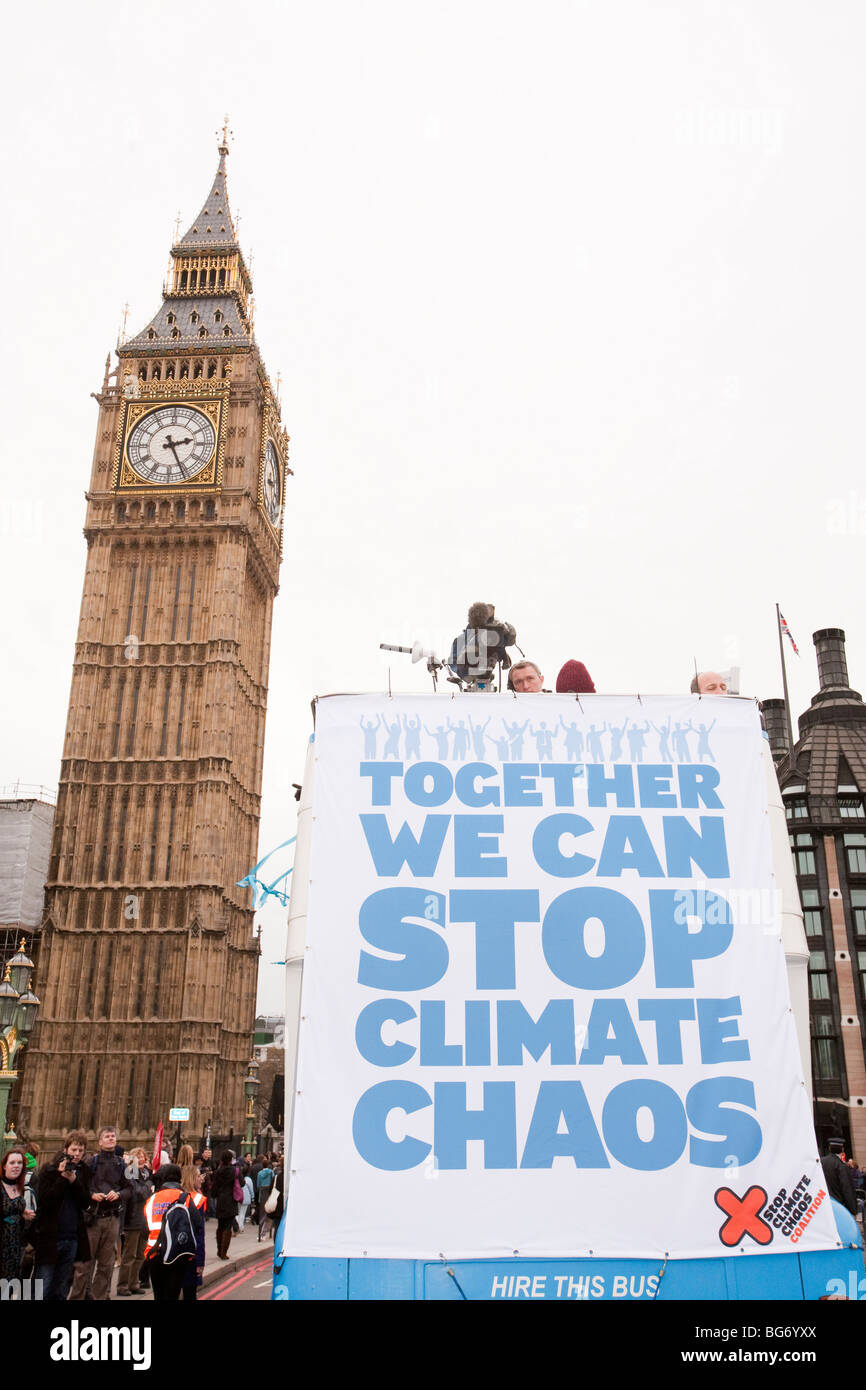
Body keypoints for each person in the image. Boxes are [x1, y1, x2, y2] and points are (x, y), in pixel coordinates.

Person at [69, 1124, 131, 1301]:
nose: (111, 1138)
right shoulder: (90, 1161)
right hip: (93, 1219)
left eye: (113, 1136)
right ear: (100, 1142)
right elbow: (79, 1187)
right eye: (107, 1136)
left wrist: (118, 1194)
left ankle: (99, 1297)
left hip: (112, 1218)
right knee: (84, 1264)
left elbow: (129, 1189)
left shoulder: (122, 1163)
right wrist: (91, 1195)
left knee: (106, 1264)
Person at [32, 1131, 92, 1301]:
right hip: (51, 1236)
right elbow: (46, 1201)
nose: (77, 1154)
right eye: (74, 1149)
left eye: (81, 1150)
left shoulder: (84, 1171)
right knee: (42, 1286)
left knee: (61, 1288)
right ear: (66, 1149)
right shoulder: (49, 1169)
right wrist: (62, 1178)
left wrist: (74, 1181)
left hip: (71, 1237)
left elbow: (86, 1202)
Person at [142, 1163, 203, 1301]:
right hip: (178, 1253)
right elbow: (197, 1224)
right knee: (172, 1294)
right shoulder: (186, 1198)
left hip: (155, 1252)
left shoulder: (152, 1199)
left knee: (159, 1295)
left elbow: (143, 1230)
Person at [448, 602, 517, 684]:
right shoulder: (463, 640)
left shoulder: (496, 630)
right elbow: (454, 663)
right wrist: (467, 674)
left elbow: (509, 640)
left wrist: (505, 630)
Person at [116, 1148, 152, 1297]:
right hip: (132, 1218)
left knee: (140, 1255)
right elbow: (137, 1192)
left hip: (144, 1219)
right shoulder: (130, 1172)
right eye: (138, 1156)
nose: (142, 1159)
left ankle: (134, 1283)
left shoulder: (147, 1174)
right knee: (129, 1256)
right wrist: (148, 1186)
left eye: (143, 1156)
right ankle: (123, 1286)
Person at [0, 1146, 37, 1282]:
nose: (16, 1166)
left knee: (9, 1285)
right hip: (2, 1243)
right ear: (4, 1166)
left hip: (15, 1244)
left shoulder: (20, 1187)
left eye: (20, 1163)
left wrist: (23, 1214)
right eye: (12, 1163)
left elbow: (15, 1210)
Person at [179, 1156, 206, 1300]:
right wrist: (200, 1261)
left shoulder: (176, 1195)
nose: (201, 1179)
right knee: (190, 1293)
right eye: (198, 1176)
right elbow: (200, 1233)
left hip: (174, 1250)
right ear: (191, 1178)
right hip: (191, 1252)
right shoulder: (198, 1199)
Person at [821, 1139, 858, 1217]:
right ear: (842, 1149)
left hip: (823, 1205)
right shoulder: (841, 1166)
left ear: (829, 1148)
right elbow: (847, 1189)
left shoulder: (821, 1162)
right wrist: (853, 1210)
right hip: (839, 1207)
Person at [211, 1150, 238, 1259]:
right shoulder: (235, 1170)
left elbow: (214, 1187)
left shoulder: (218, 1172)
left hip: (221, 1200)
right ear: (231, 1159)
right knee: (228, 1226)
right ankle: (223, 1252)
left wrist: (215, 1194)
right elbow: (242, 1183)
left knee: (220, 1226)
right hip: (231, 1200)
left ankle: (219, 1250)